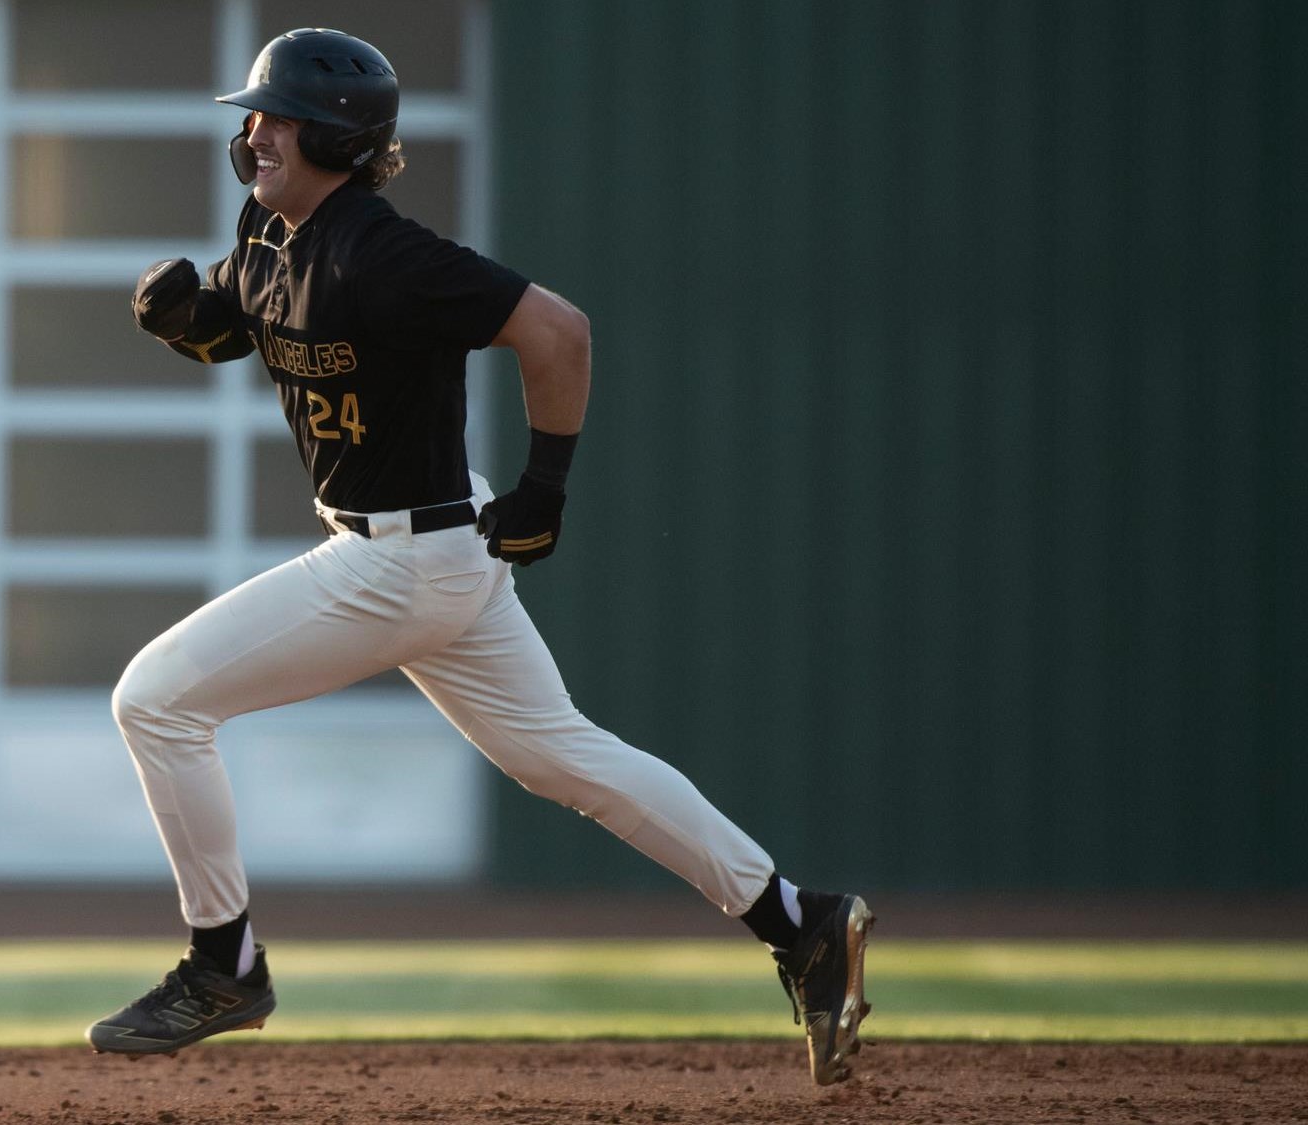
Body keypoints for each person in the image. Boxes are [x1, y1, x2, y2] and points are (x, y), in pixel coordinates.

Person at [87, 28, 874, 1085]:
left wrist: (543, 490)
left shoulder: (388, 252)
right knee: (568, 760)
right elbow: (240, 316)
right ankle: (799, 923)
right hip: (430, 565)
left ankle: (222, 963)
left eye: (271, 114)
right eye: (252, 114)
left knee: (154, 701)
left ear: (330, 133)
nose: (251, 130)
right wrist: (183, 318)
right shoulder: (275, 238)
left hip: (400, 565)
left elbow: (559, 333)